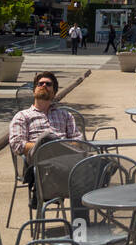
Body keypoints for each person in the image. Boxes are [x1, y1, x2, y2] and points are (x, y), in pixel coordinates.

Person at [9, 71, 83, 203]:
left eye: (48, 84)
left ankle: (82, 223)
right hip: (37, 161)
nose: (43, 85)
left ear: (53, 93)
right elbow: (17, 145)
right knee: (47, 137)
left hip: (64, 162)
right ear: (34, 91)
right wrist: (47, 146)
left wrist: (58, 148)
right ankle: (95, 168)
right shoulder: (22, 116)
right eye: (40, 83)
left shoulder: (65, 115)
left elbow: (77, 140)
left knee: (81, 178)